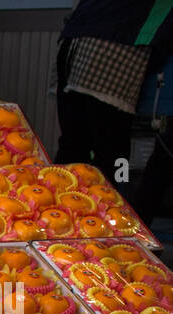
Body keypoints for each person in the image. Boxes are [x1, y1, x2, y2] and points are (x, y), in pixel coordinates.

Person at [54, 0, 173, 201]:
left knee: (73, 143)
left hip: (73, 42)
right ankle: (115, 207)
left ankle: (59, 206)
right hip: (114, 50)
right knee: (115, 153)